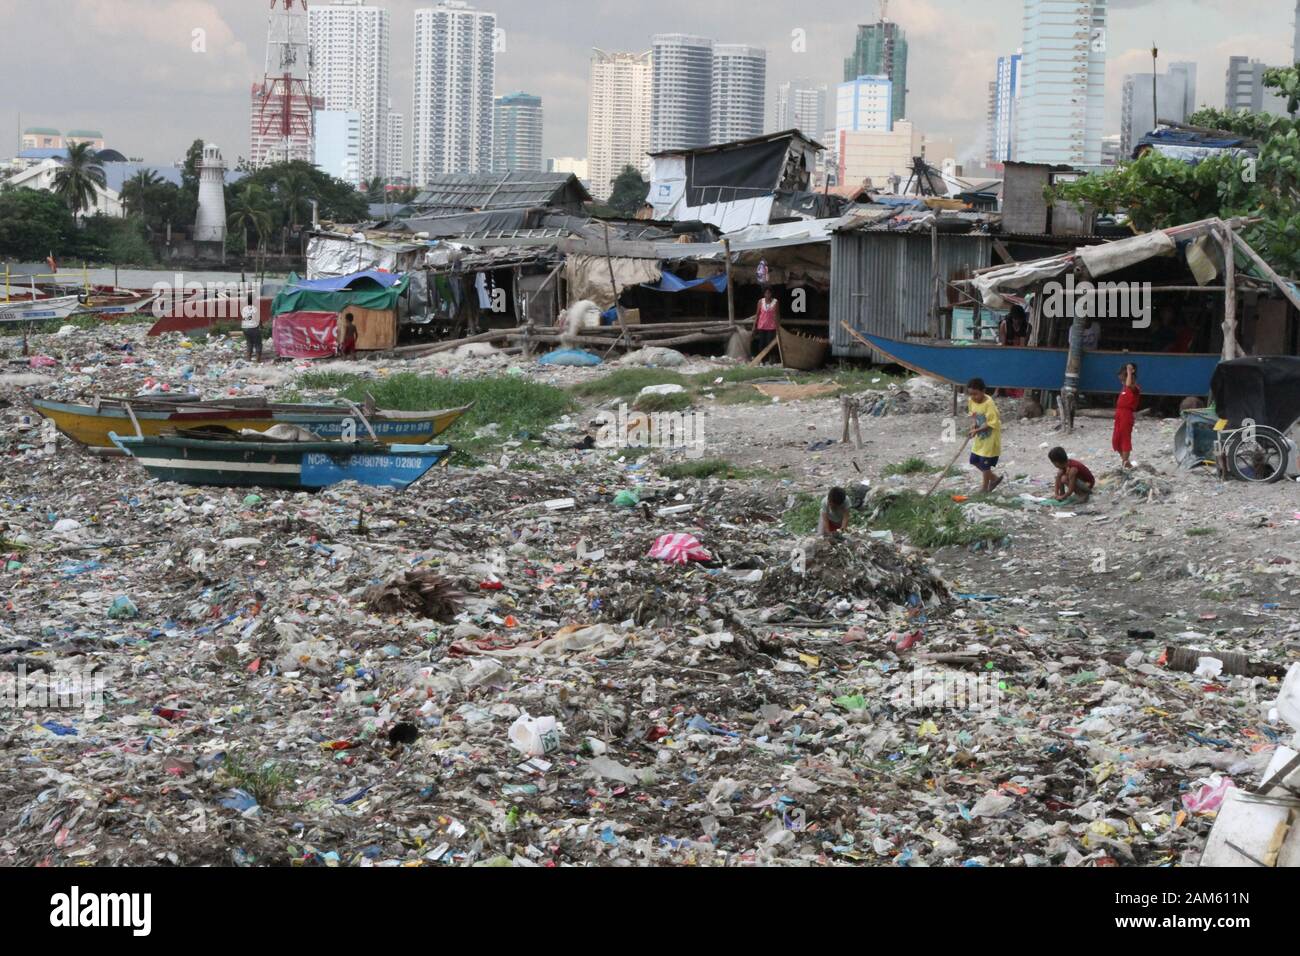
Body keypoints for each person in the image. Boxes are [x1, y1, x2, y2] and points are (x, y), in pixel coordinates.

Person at [967, 378, 1004, 494]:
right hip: (980, 438)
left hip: (990, 438)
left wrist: (977, 430)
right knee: (974, 460)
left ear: (983, 391)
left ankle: (985, 488)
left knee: (985, 463)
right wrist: (973, 427)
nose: (973, 397)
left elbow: (992, 423)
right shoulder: (971, 401)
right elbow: (973, 416)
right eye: (971, 394)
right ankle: (994, 479)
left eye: (976, 394)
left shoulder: (989, 403)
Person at [1113, 362, 1140, 469]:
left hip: (1126, 414)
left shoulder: (1135, 388)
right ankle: (1125, 461)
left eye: (1124, 379)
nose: (1123, 382)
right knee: (1116, 439)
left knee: (1125, 438)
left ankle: (1125, 462)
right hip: (1119, 414)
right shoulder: (1124, 388)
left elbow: (1129, 384)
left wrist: (1129, 371)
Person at [752, 287, 780, 362]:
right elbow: (757, 314)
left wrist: (778, 328)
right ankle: (763, 360)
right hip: (762, 326)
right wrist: (754, 326)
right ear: (764, 294)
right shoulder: (760, 302)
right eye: (766, 293)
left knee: (770, 344)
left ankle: (771, 358)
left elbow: (777, 315)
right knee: (761, 344)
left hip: (771, 327)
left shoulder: (775, 302)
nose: (767, 294)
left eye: (769, 293)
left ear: (771, 294)